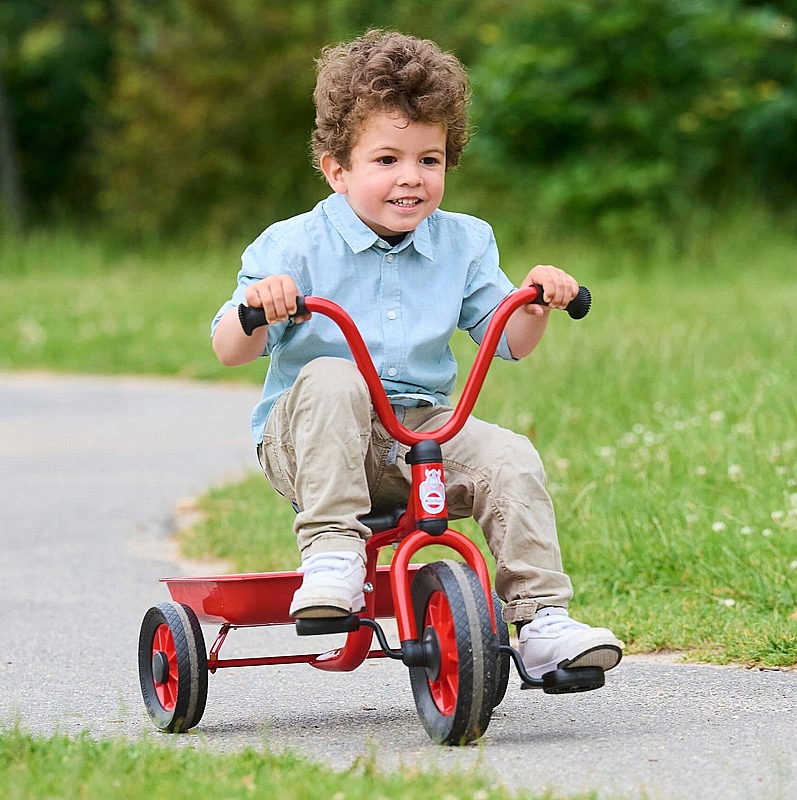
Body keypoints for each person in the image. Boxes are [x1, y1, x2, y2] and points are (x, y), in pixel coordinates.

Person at [211, 30, 622, 679]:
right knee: (332, 375)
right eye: (386, 160)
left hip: (418, 436)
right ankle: (332, 558)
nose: (411, 178)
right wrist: (258, 304)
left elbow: (504, 341)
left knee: (509, 456)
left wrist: (534, 303)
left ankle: (542, 619)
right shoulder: (292, 246)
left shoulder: (465, 241)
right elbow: (230, 348)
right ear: (337, 168)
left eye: (429, 160)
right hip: (308, 437)